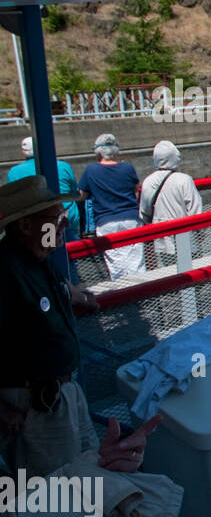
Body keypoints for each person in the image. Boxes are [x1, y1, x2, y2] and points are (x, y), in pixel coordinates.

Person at [0, 177, 161, 478]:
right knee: (57, 488)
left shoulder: (39, 259)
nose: (64, 225)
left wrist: (81, 296)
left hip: (65, 393)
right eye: (56, 219)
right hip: (31, 406)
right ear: (24, 225)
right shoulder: (7, 271)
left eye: (63, 217)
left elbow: (59, 288)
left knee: (90, 470)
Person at [77, 133, 145, 279]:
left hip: (106, 220)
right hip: (131, 218)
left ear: (98, 151)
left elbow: (81, 195)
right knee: (136, 261)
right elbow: (136, 190)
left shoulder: (91, 170)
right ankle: (141, 293)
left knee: (116, 264)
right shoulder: (128, 168)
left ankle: (123, 296)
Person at [7, 136, 82, 243]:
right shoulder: (63, 166)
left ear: (24, 152)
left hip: (39, 225)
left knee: (49, 254)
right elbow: (74, 190)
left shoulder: (14, 172)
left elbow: (15, 201)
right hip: (67, 219)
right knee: (71, 254)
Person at [138, 140, 202, 260]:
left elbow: (144, 212)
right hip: (187, 239)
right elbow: (195, 211)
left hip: (161, 240)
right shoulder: (184, 180)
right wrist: (200, 235)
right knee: (192, 274)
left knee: (168, 274)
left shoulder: (148, 181)